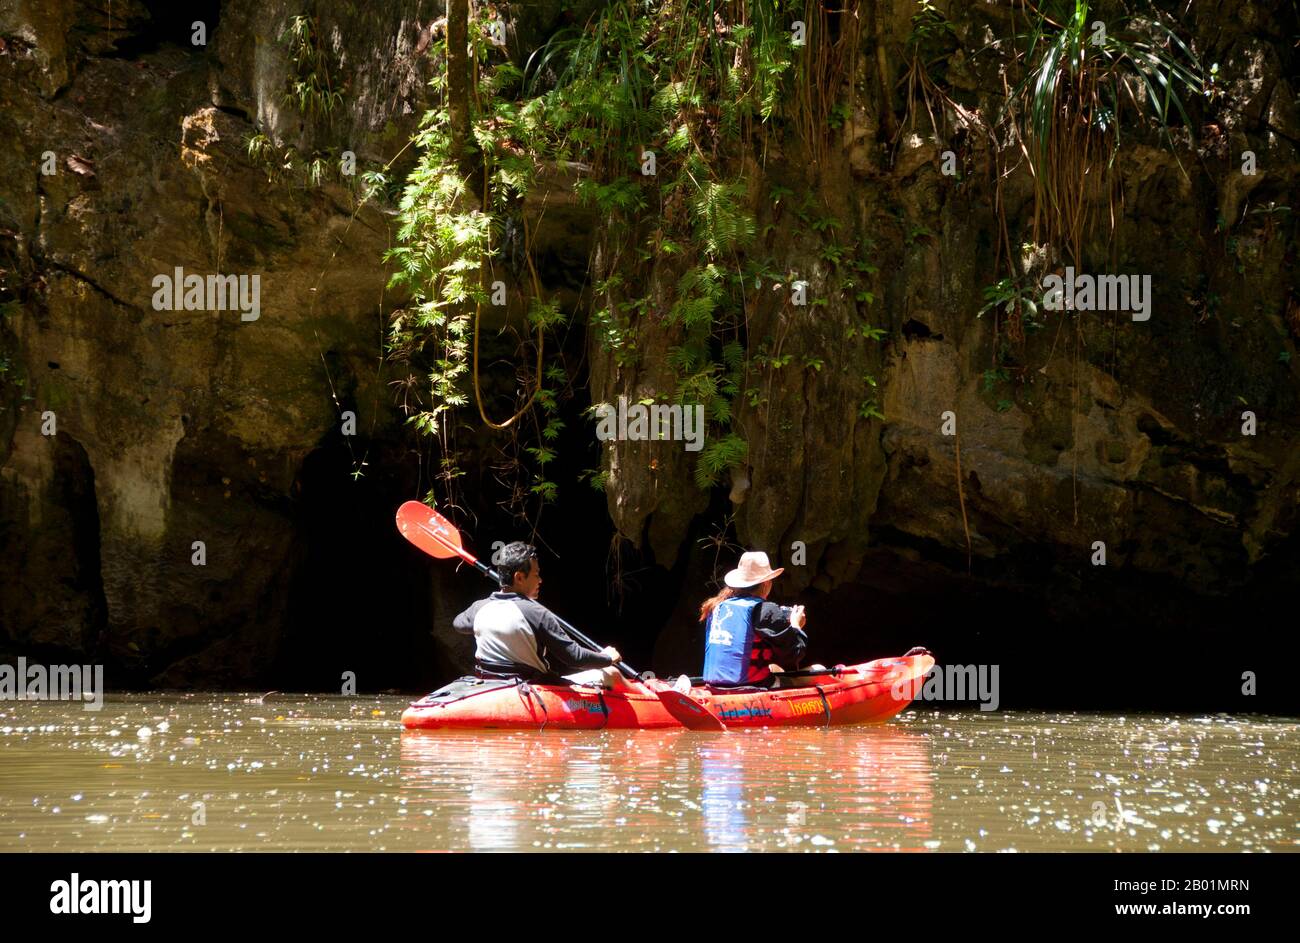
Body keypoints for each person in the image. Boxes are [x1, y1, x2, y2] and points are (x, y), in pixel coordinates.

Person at [452, 541, 632, 690]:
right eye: (536, 574)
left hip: (493, 685)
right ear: (519, 578)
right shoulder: (537, 613)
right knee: (612, 674)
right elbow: (574, 657)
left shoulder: (479, 608)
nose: (540, 580)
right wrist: (608, 658)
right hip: (533, 687)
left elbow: (459, 624)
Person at [696, 551, 809, 687]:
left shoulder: (716, 607)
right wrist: (796, 625)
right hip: (749, 686)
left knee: (773, 667)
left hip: (714, 685)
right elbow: (794, 655)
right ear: (766, 583)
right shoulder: (764, 609)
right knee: (818, 669)